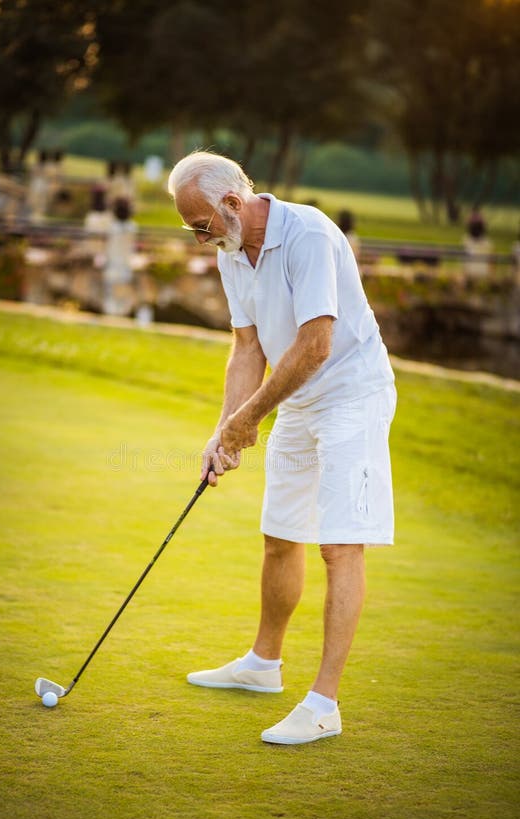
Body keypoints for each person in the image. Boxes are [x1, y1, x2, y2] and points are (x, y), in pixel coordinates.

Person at [167, 151, 396, 746]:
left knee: (339, 547)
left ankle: (323, 705)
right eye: (193, 230)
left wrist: (250, 418)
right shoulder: (230, 250)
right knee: (280, 535)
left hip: (352, 394)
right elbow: (247, 348)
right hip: (297, 399)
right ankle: (263, 666)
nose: (201, 239)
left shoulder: (308, 235)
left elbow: (316, 344)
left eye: (202, 226)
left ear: (232, 203)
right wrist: (225, 429)